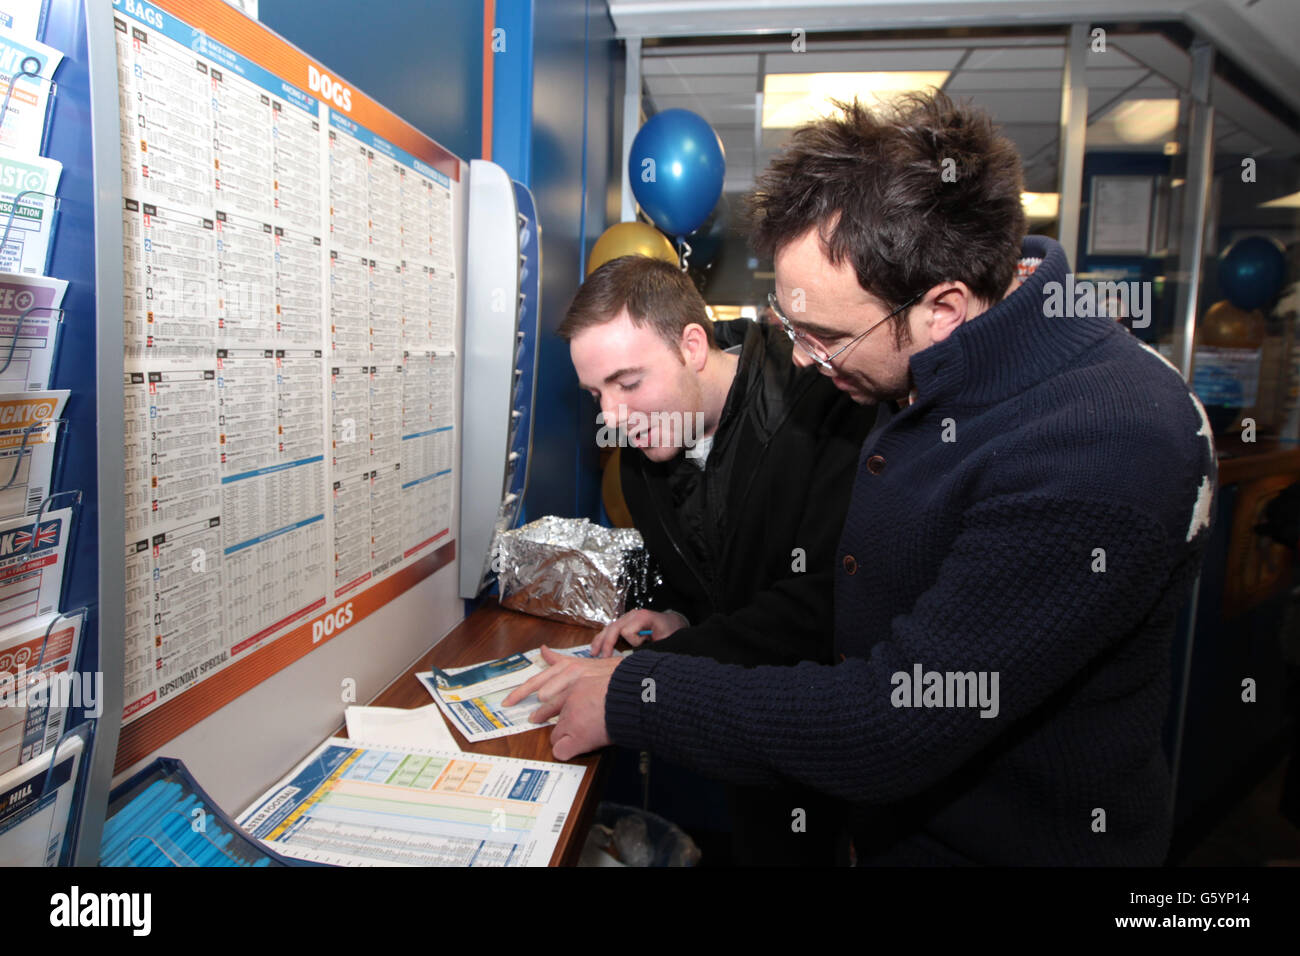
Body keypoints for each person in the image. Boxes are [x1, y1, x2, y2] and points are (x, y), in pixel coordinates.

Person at [505, 91, 1218, 865]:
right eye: (792, 326)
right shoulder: (914, 365)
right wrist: (692, 633)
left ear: (943, 308)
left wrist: (636, 693)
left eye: (827, 337)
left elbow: (896, 721)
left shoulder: (1106, 443)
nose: (805, 360)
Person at [557, 254, 874, 864]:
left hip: (834, 753)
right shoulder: (642, 459)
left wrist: (640, 677)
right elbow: (718, 583)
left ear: (693, 345)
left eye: (628, 383)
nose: (613, 418)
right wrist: (680, 617)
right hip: (743, 753)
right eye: (596, 394)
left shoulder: (820, 406)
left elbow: (818, 608)